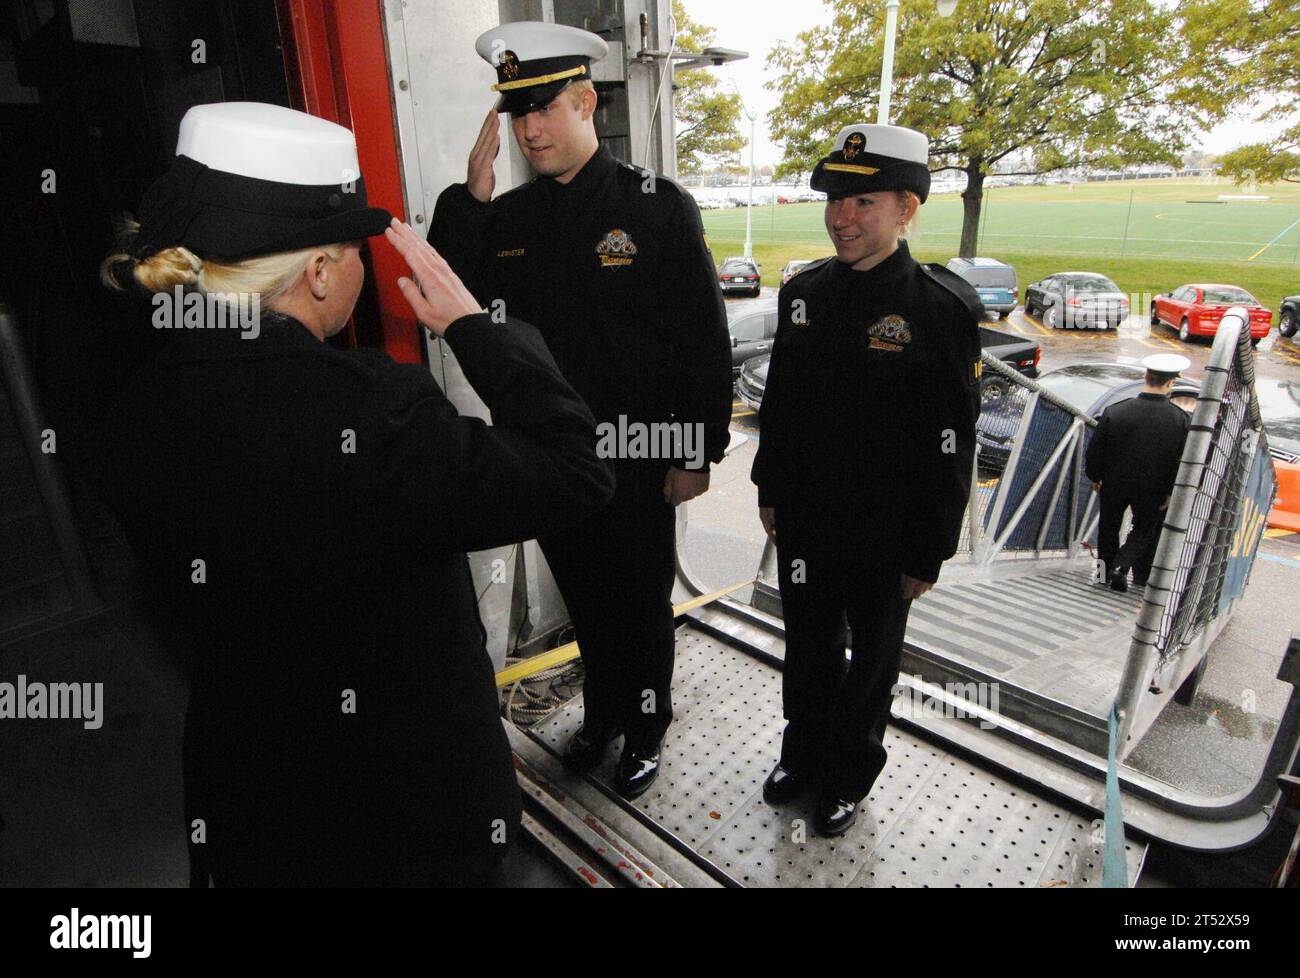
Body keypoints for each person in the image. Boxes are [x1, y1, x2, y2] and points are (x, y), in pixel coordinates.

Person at [89, 102, 614, 885]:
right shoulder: (370, 411)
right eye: (356, 250)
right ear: (322, 272)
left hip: (253, 802)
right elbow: (576, 469)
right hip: (398, 817)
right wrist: (476, 327)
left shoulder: (128, 404)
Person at [428, 22, 733, 799]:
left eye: (545, 109)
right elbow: (445, 291)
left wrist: (695, 451)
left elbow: (700, 340)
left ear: (586, 101)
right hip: (548, 456)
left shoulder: (657, 208)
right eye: (517, 114)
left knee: (637, 601)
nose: (530, 130)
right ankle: (601, 717)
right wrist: (469, 199)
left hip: (636, 453)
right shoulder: (511, 218)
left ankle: (644, 729)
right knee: (585, 597)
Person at [750, 124, 982, 837]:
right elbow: (781, 404)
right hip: (809, 519)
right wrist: (770, 490)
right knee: (809, 649)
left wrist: (929, 547)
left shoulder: (941, 307)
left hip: (888, 532)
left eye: (864, 202)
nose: (841, 218)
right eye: (835, 201)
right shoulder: (804, 293)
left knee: (871, 664)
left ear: (908, 208)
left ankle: (849, 774)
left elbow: (953, 438)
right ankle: (804, 754)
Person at [1084, 353, 1192, 592]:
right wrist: (1170, 491)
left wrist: (1096, 476)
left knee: (1108, 528)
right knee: (1144, 529)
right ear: (1171, 383)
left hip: (1113, 482)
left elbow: (1095, 451)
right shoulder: (1181, 421)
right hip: (1153, 488)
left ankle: (1103, 576)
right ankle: (1123, 568)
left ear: (1146, 376)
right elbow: (1180, 461)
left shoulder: (1115, 411)